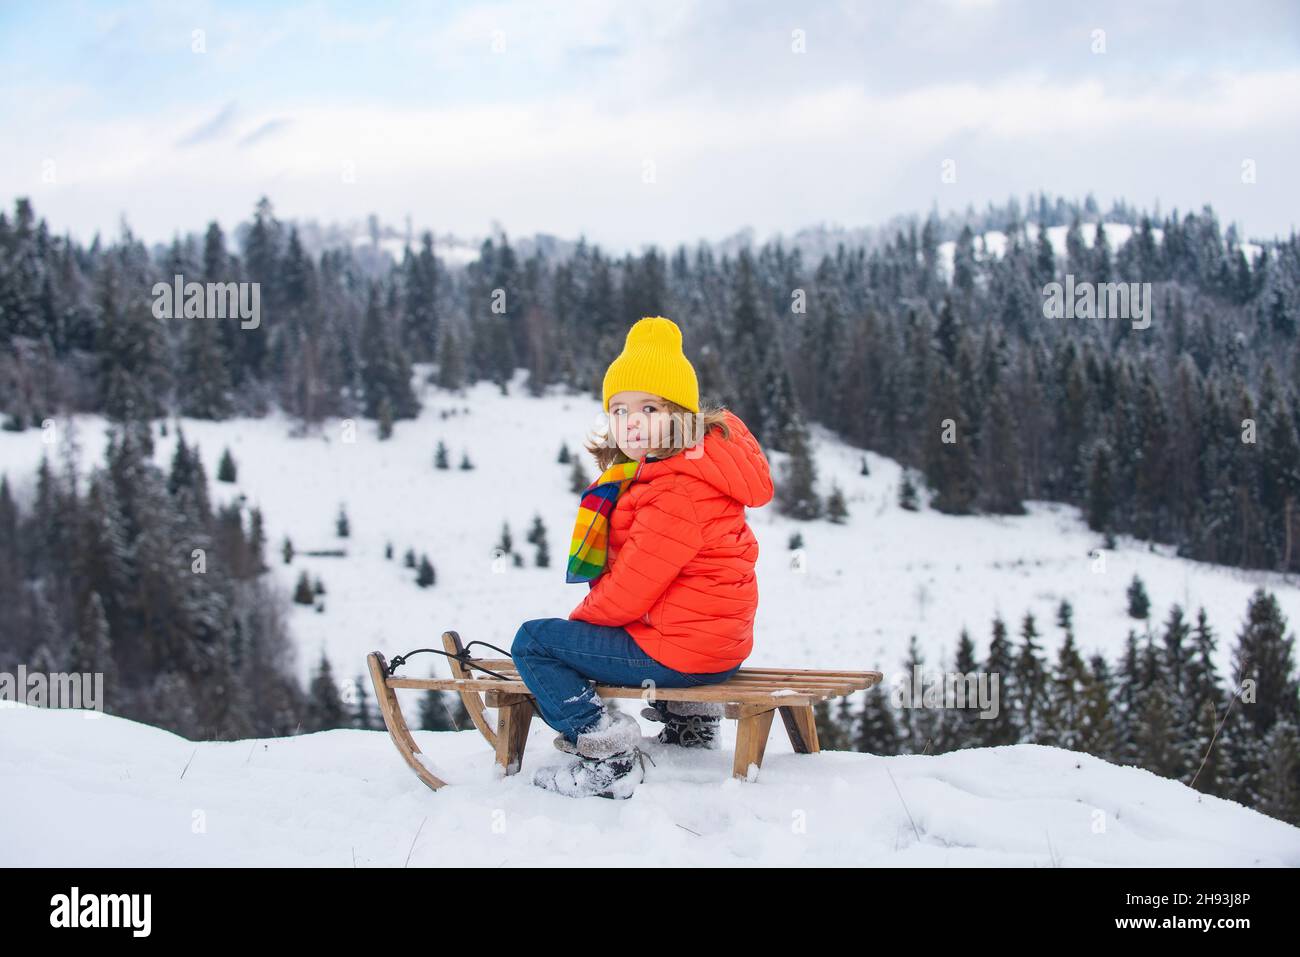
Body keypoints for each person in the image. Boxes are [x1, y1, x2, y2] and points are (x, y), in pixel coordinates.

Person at [511, 315, 775, 798]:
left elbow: (633, 588)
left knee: (534, 642)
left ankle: (605, 755)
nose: (631, 421)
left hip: (684, 653)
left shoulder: (674, 488)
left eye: (649, 407)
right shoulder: (685, 471)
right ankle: (690, 725)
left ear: (682, 415)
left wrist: (579, 629)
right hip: (717, 647)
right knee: (605, 630)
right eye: (618, 409)